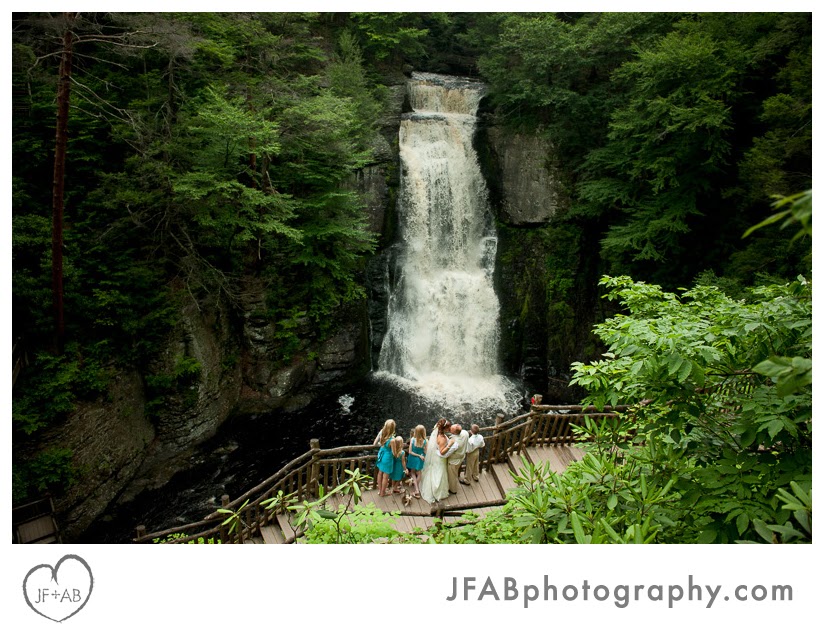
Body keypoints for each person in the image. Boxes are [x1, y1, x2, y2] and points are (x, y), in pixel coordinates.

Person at [419, 418, 454, 504]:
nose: (450, 429)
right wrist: (450, 445)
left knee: (434, 471)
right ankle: (437, 491)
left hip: (435, 455)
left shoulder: (437, 432)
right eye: (448, 428)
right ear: (444, 428)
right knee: (439, 473)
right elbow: (442, 452)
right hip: (439, 459)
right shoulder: (442, 438)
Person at [374, 419, 396, 497]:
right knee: (385, 477)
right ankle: (383, 493)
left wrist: (382, 445)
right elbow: (394, 453)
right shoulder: (392, 440)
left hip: (381, 455)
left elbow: (374, 443)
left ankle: (380, 490)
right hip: (387, 458)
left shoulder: (381, 432)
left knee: (380, 473)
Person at [447, 424, 470, 493]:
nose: (449, 428)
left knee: (452, 476)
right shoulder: (465, 433)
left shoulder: (455, 442)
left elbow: (448, 452)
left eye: (451, 429)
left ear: (454, 432)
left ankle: (453, 490)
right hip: (461, 457)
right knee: (455, 472)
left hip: (453, 461)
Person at [406, 425, 427, 498]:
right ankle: (417, 488)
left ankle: (416, 489)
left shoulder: (412, 439)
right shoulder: (425, 441)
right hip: (420, 458)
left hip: (413, 458)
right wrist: (421, 455)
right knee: (419, 473)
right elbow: (425, 451)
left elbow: (410, 451)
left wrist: (417, 455)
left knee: (412, 472)